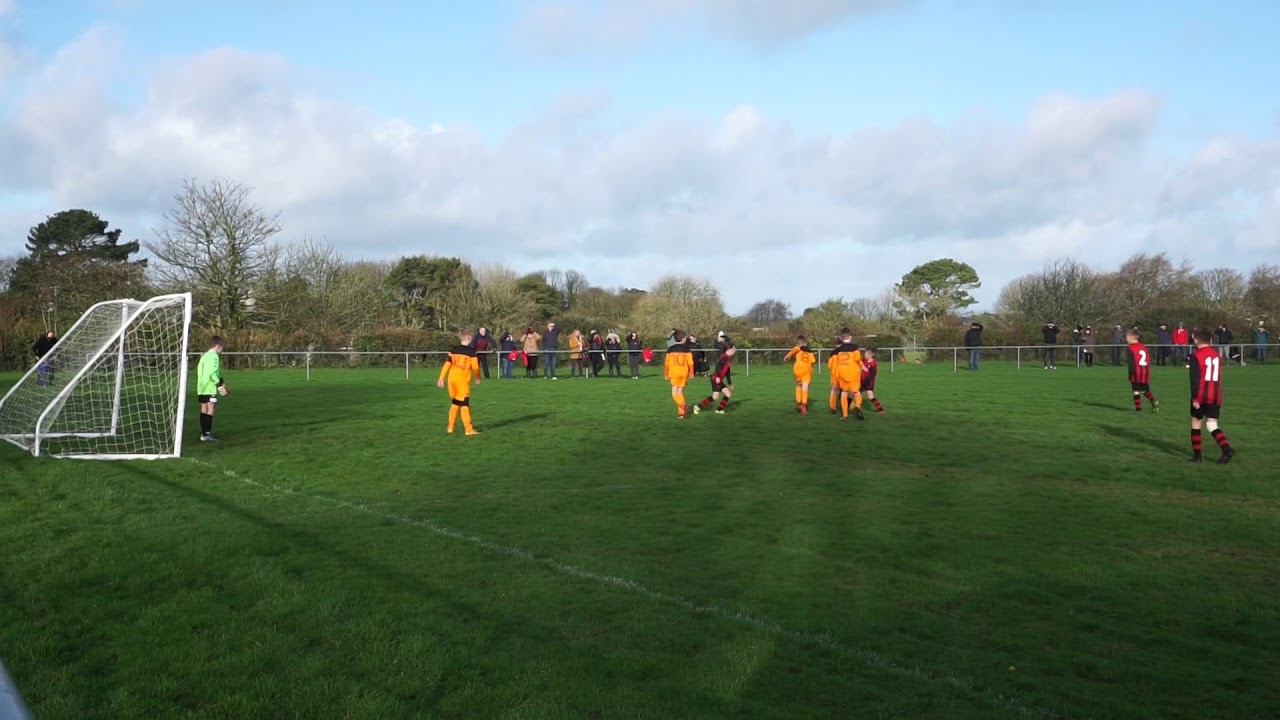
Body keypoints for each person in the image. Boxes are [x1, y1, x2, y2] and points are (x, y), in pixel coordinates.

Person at [1188, 328, 1234, 463]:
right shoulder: (1216, 355)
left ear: (1196, 340)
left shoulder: (1196, 355)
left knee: (1196, 422)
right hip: (1215, 394)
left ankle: (1197, 456)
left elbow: (1194, 379)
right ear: (1211, 340)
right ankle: (1226, 450)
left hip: (1201, 394)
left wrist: (1195, 398)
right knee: (1212, 424)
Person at [437, 328, 481, 435]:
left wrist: (441, 378)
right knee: (464, 404)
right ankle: (469, 429)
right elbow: (475, 367)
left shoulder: (453, 350)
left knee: (455, 403)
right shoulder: (471, 352)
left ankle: (450, 427)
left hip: (451, 380)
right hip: (462, 381)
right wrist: (478, 377)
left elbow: (447, 364)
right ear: (469, 338)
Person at [196, 336, 230, 442]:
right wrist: (219, 385)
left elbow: (209, 372)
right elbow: (212, 373)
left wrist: (222, 381)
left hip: (202, 387)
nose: (222, 350)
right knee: (211, 409)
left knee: (204, 408)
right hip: (210, 387)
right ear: (218, 346)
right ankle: (207, 434)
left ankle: (204, 433)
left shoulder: (205, 356)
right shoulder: (214, 356)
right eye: (222, 347)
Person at [831, 328, 866, 421]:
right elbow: (858, 359)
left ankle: (845, 415)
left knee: (844, 392)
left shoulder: (839, 350)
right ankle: (857, 406)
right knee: (856, 391)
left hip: (842, 373)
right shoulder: (855, 348)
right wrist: (863, 367)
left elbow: (836, 363)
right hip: (853, 373)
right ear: (851, 337)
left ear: (842, 339)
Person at [693, 343, 736, 415]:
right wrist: (718, 377)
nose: (735, 351)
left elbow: (727, 372)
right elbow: (718, 366)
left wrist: (730, 383)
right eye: (734, 349)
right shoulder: (724, 358)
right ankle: (697, 407)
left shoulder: (728, 359)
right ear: (729, 350)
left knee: (728, 393)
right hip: (716, 379)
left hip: (718, 380)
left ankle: (719, 410)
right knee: (715, 397)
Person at [663, 330, 695, 419]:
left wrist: (666, 373)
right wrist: (691, 372)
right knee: (680, 392)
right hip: (684, 372)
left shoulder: (670, 349)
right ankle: (681, 413)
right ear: (683, 339)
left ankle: (682, 405)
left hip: (674, 372)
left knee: (674, 393)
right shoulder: (687, 350)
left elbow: (667, 363)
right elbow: (691, 362)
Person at [1126, 329, 1158, 412]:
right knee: (1144, 389)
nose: (1126, 339)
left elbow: (1132, 363)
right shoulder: (1143, 347)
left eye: (1127, 337)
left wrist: (1130, 374)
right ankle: (1153, 401)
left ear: (1132, 337)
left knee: (1136, 390)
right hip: (1145, 372)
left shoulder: (1131, 348)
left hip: (1136, 372)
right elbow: (1148, 359)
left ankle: (1138, 408)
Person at [783, 335, 817, 414]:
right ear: (806, 343)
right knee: (805, 386)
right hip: (806, 370)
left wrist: (787, 357)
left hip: (797, 369)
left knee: (798, 385)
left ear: (798, 343)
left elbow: (791, 352)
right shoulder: (810, 352)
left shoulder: (797, 348)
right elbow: (812, 362)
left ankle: (798, 403)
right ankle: (803, 405)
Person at [861, 348, 885, 413]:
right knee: (854, 394)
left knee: (870, 397)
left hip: (868, 383)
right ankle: (881, 410)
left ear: (870, 355)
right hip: (863, 382)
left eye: (865, 353)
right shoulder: (864, 361)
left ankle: (881, 410)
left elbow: (871, 376)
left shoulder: (873, 364)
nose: (864, 354)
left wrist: (864, 382)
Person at [827, 335, 842, 414]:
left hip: (834, 374)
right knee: (844, 390)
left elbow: (829, 366)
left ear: (835, 344)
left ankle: (833, 406)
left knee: (833, 390)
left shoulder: (832, 353)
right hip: (843, 373)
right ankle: (845, 406)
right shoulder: (845, 352)